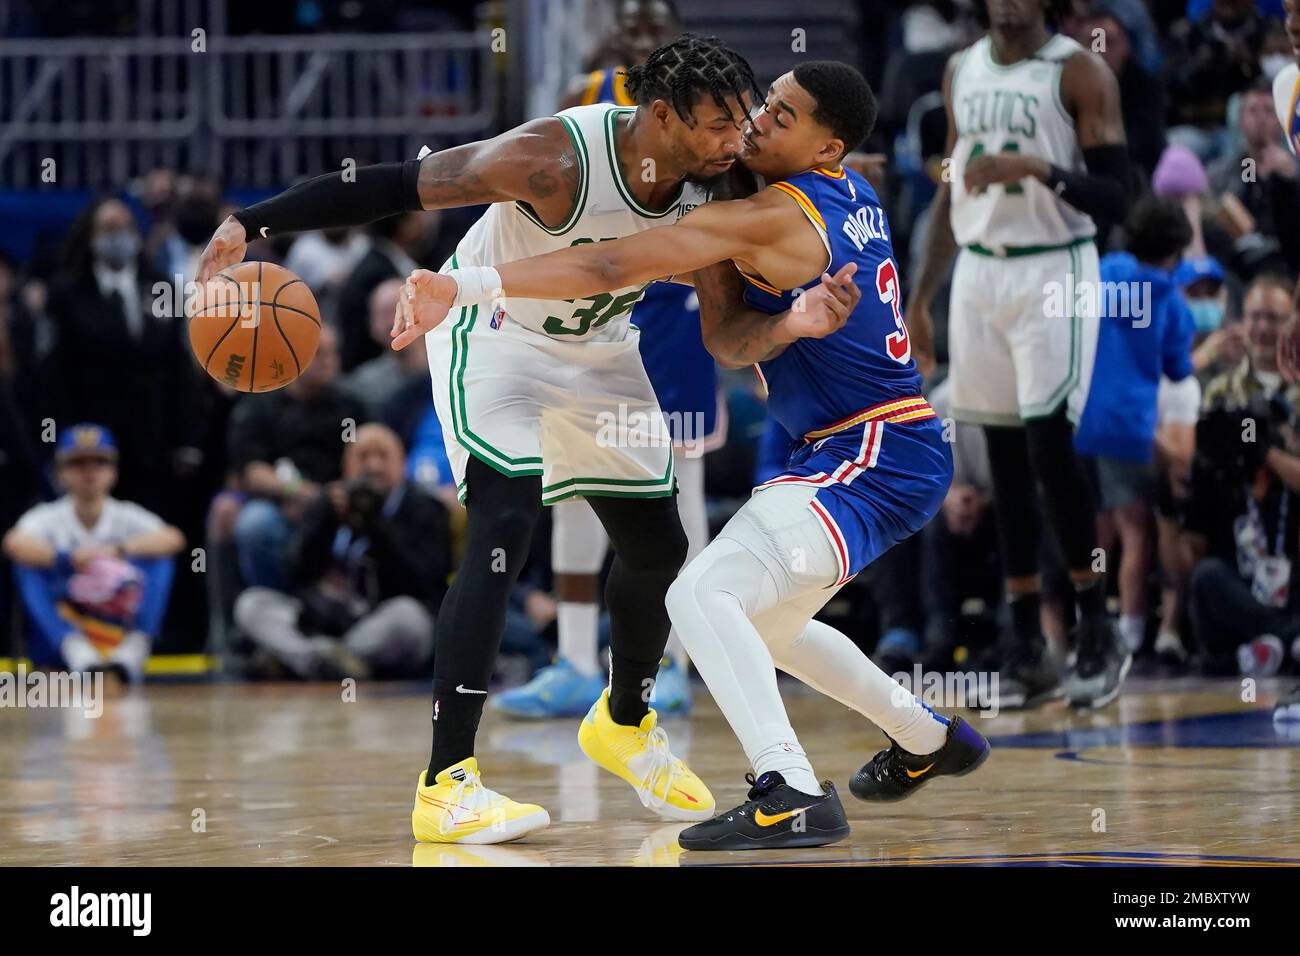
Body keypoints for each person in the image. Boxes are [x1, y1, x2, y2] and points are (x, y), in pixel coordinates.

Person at [399, 61, 988, 852]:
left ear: (827, 148)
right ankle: (928, 738)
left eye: (782, 116)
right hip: (879, 450)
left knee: (699, 593)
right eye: (762, 105)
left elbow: (611, 266)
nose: (757, 122)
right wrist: (787, 326)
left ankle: (789, 788)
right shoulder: (849, 191)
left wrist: (465, 286)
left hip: (872, 450)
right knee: (768, 624)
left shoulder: (774, 218)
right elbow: (729, 338)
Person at [198, 33, 763, 844]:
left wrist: (790, 333)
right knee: (504, 527)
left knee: (658, 550)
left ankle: (624, 721)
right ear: (662, 114)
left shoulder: (718, 181)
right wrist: (253, 223)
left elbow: (727, 326)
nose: (731, 141)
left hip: (601, 353)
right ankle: (446, 783)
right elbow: (393, 186)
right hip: (490, 328)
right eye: (715, 124)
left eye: (739, 124)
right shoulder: (554, 158)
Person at [907, 0, 1134, 709]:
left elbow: (1119, 195)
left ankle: (1097, 628)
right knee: (1001, 454)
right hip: (978, 270)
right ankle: (1025, 645)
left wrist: (1036, 166)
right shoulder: (958, 70)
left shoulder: (1080, 72)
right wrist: (922, 298)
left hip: (1054, 268)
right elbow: (951, 189)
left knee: (1048, 449)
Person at [494, 0, 716, 720]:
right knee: (574, 498)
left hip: (671, 317)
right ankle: (573, 661)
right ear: (611, 32)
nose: (641, 28)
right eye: (629, 16)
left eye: (655, 17)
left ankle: (676, 662)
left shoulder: (709, 112)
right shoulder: (582, 99)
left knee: (676, 497)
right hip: (589, 315)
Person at [1074, 196, 1197, 656]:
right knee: (1136, 531)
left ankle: (1085, 623)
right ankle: (1129, 630)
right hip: (1130, 425)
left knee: (1098, 531)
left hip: (1083, 416)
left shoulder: (1107, 271)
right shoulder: (1171, 302)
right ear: (1175, 250)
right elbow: (1179, 368)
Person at [234, 424, 451, 680]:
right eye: (363, 457)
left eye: (383, 456)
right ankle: (322, 660)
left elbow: (426, 583)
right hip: (323, 621)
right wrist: (324, 519)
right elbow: (293, 574)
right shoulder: (329, 503)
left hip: (381, 622)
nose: (373, 466)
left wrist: (377, 529)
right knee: (252, 603)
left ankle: (303, 659)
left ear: (402, 463)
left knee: (409, 617)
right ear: (346, 465)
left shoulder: (426, 508)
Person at [2, 424, 183, 683]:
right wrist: (67, 559)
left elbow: (174, 538)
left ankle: (135, 647)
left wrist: (118, 551)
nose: (89, 473)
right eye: (78, 464)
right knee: (26, 565)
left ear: (114, 471)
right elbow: (13, 543)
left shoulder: (125, 514)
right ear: (61, 472)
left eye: (99, 463)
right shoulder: (50, 516)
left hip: (116, 617)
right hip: (69, 617)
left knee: (160, 559)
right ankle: (74, 649)